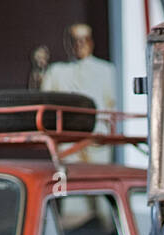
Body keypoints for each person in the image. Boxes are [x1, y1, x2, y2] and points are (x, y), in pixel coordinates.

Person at [42, 24, 117, 161]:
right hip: (67, 139)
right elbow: (46, 102)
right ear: (68, 43)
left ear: (91, 42)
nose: (79, 44)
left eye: (84, 39)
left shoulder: (106, 70)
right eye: (75, 40)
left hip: (97, 137)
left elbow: (112, 103)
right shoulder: (56, 71)